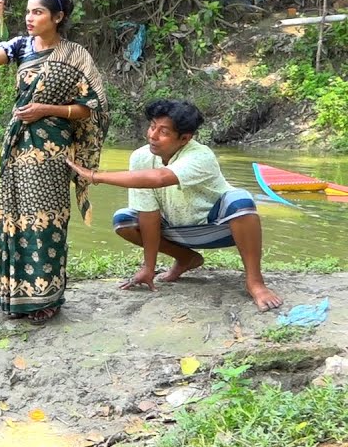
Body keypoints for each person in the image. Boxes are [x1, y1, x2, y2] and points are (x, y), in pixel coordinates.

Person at [0, 0, 110, 324]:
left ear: (57, 17)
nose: (30, 18)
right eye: (28, 12)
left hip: (52, 150)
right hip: (17, 146)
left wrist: (47, 109)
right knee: (13, 218)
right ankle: (15, 295)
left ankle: (47, 297)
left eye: (38, 12)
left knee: (47, 220)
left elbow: (92, 107)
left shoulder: (75, 55)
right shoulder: (20, 46)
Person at [67, 99, 284, 312]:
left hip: (220, 229)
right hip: (177, 230)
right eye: (152, 126)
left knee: (241, 201)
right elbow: (148, 213)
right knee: (124, 220)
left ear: (184, 138)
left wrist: (96, 176)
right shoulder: (141, 157)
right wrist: (149, 268)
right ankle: (186, 258)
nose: (152, 135)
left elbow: (160, 178)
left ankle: (255, 282)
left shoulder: (201, 156)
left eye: (163, 132)